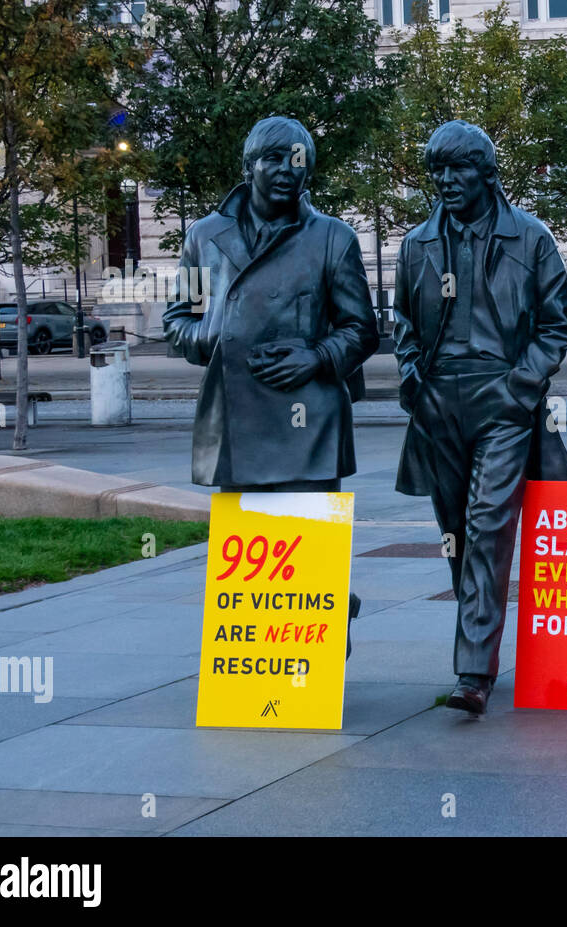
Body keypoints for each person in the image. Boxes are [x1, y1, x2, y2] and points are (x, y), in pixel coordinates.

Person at [162, 116, 378, 655]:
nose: (287, 171)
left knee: (307, 548)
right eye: (274, 159)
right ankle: (271, 658)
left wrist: (317, 355)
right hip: (237, 415)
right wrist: (208, 337)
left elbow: (362, 329)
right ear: (249, 166)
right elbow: (177, 319)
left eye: (298, 161)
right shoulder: (204, 237)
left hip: (310, 416)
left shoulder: (332, 238)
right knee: (255, 564)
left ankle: (321, 627)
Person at [392, 120, 567, 715]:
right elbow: (401, 323)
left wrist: (520, 384)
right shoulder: (417, 242)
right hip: (440, 402)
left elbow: (557, 324)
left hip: (503, 399)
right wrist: (411, 372)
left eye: (459, 169)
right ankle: (476, 643)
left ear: (486, 172)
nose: (446, 180)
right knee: (457, 532)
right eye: (437, 170)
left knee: (489, 523)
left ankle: (473, 671)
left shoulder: (531, 239)